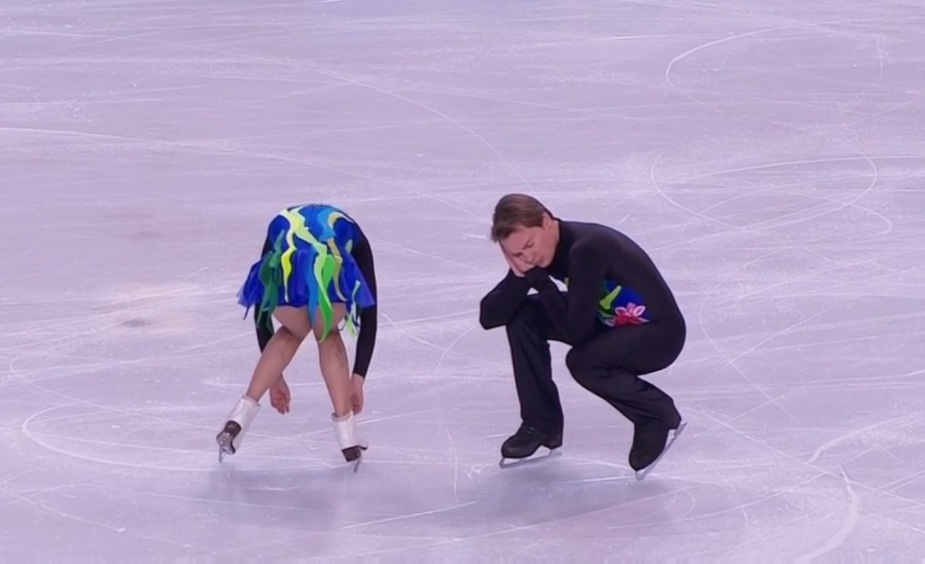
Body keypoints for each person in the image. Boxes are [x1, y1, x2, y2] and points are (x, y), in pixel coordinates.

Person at [479, 193, 686, 478]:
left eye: (529, 245)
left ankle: (655, 414)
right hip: (608, 323)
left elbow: (575, 332)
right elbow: (489, 317)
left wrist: (540, 282)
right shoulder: (540, 254)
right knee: (524, 316)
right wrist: (519, 277)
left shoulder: (587, 249)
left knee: (585, 362)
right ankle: (541, 425)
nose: (527, 257)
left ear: (547, 221)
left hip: (657, 334)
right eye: (516, 254)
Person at [215, 203, 378, 468]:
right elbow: (369, 311)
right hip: (328, 263)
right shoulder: (357, 238)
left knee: (292, 330)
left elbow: (263, 310)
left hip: (284, 266)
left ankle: (238, 420)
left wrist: (274, 378)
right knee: (326, 334)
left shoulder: (279, 223)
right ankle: (347, 435)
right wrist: (358, 376)